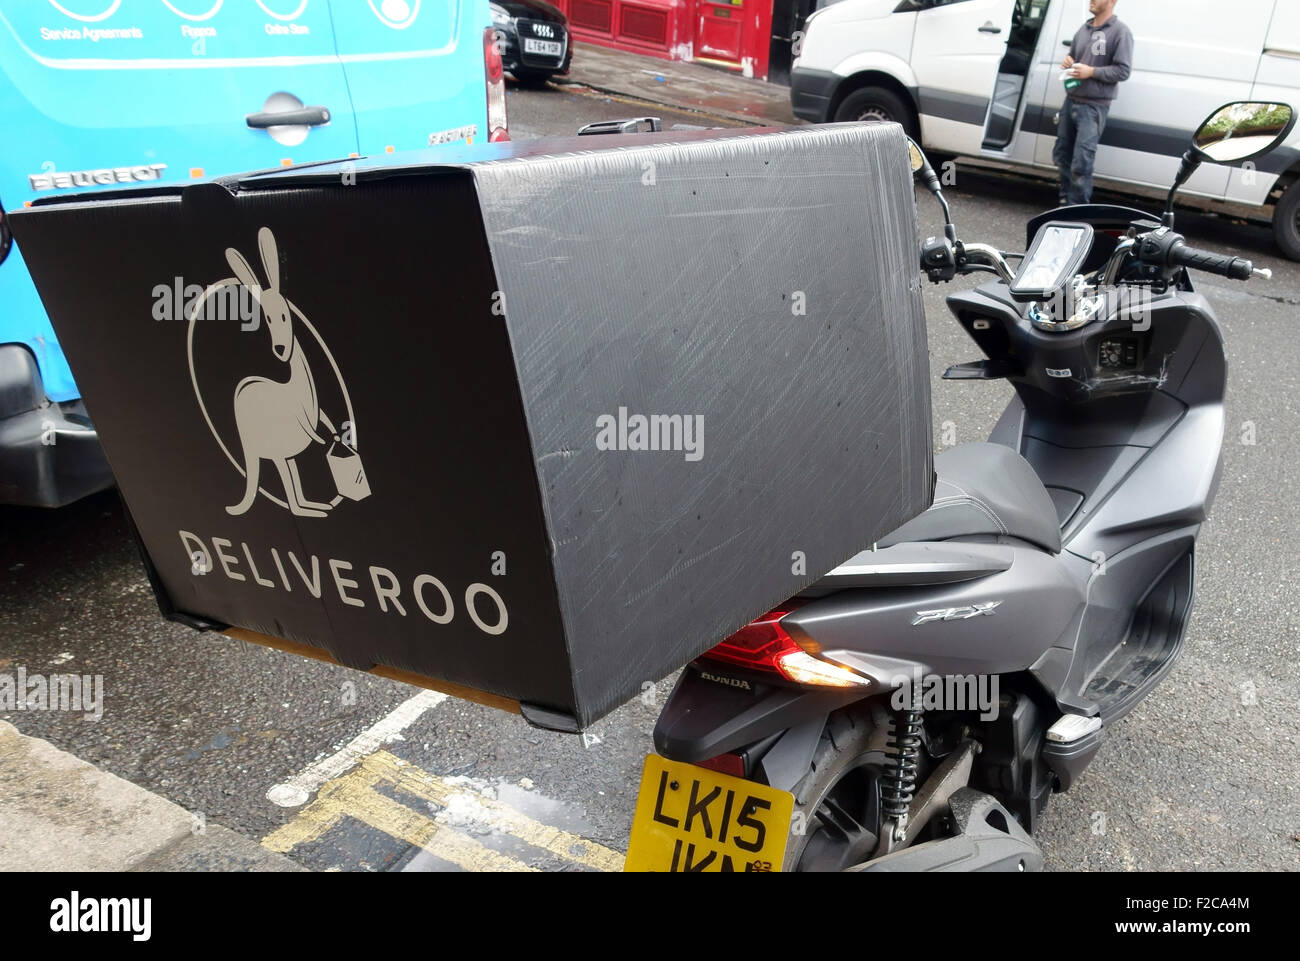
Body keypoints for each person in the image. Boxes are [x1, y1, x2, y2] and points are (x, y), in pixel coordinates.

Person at [1054, 0, 1134, 205]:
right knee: (1062, 155)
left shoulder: (1120, 32)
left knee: (1081, 162)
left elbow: (1123, 71)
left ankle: (1077, 212)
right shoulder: (1084, 29)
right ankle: (1064, 204)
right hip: (1071, 100)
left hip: (1094, 107)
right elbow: (1073, 56)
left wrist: (1092, 72)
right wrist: (1068, 62)